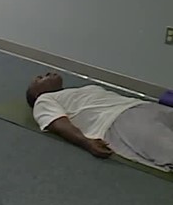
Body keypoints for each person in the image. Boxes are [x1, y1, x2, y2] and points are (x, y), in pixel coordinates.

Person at [25, 72, 173, 171]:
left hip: (141, 105)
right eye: (41, 78)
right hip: (118, 119)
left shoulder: (81, 90)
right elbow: (57, 123)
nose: (48, 73)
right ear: (36, 93)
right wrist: (87, 142)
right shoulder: (44, 100)